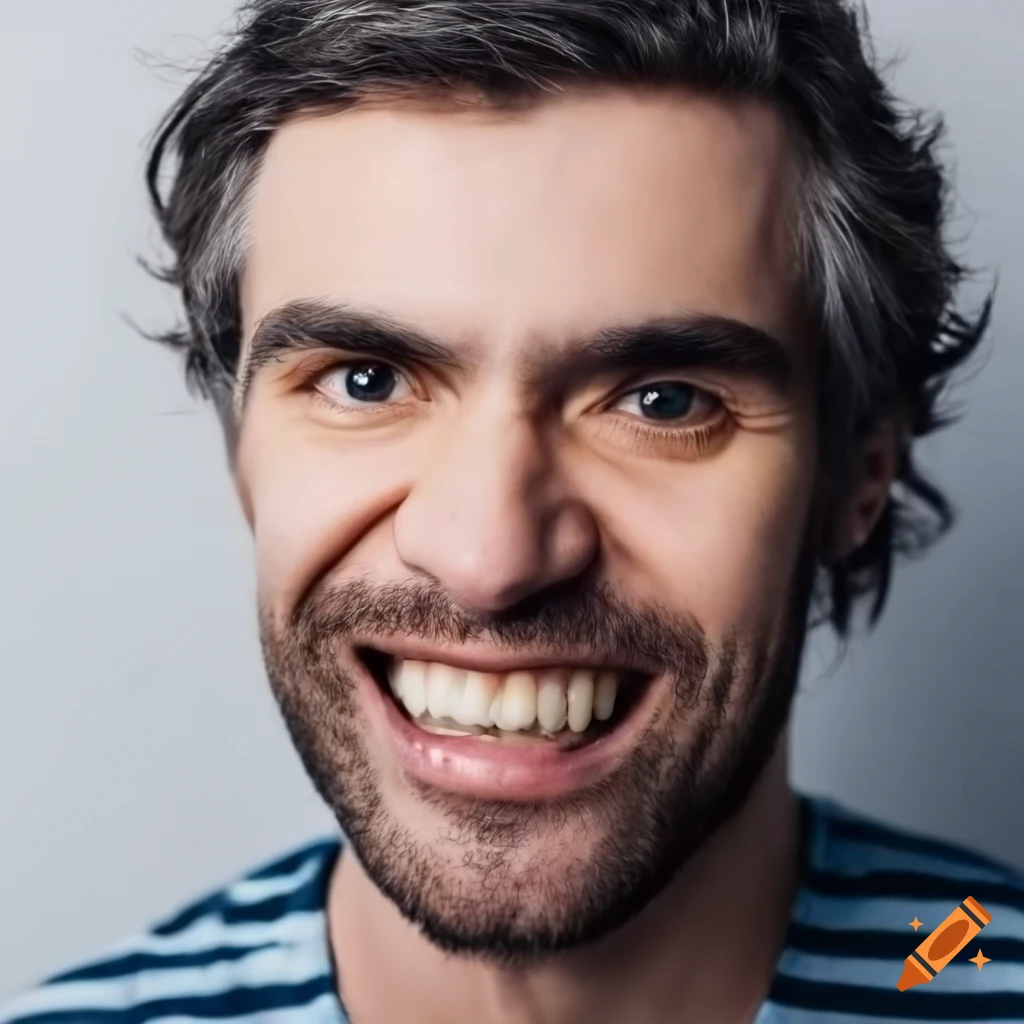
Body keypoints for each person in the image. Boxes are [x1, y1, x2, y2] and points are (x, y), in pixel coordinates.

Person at [4, 0, 1023, 1021]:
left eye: (662, 400)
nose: (489, 557)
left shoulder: (980, 969)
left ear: (857, 475)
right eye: (364, 381)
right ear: (242, 454)